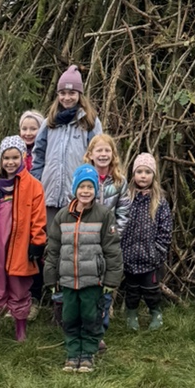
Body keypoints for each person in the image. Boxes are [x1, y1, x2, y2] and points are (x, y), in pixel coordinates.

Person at [32, 66, 102, 325]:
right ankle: (57, 302)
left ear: (80, 94)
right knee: (54, 251)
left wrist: (92, 189)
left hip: (78, 199)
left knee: (77, 250)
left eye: (72, 92)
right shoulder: (49, 123)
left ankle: (77, 305)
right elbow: (38, 155)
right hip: (51, 198)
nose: (67, 97)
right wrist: (39, 182)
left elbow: (98, 155)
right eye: (63, 92)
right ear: (58, 94)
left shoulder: (89, 122)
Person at [44, 165, 123, 373]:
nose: (86, 191)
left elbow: (112, 249)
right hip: (68, 280)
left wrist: (111, 280)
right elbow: (53, 249)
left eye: (90, 187)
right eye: (82, 186)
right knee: (69, 318)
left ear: (96, 190)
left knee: (91, 318)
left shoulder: (104, 215)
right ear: (75, 189)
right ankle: (72, 354)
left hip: (93, 281)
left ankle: (87, 353)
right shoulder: (63, 216)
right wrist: (51, 278)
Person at [0, 136, 47, 345]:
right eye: (6, 158)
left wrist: (37, 242)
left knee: (20, 286)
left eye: (15, 157)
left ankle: (20, 330)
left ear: (23, 157)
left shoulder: (34, 186)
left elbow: (39, 218)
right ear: (1, 159)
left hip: (21, 248)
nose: (10, 162)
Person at [84, 133, 130, 346]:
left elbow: (124, 212)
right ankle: (85, 327)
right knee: (87, 285)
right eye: (98, 150)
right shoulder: (83, 177)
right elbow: (74, 207)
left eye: (107, 150)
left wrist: (113, 236)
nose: (103, 154)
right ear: (90, 154)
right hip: (86, 242)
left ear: (113, 155)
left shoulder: (119, 182)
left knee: (105, 288)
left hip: (109, 244)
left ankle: (99, 333)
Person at [121, 152, 173, 332]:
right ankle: (131, 313)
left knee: (151, 290)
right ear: (133, 174)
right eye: (140, 171)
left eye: (148, 172)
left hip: (150, 258)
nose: (143, 176)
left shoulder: (160, 202)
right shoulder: (126, 199)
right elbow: (119, 223)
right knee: (132, 289)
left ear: (154, 175)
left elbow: (165, 230)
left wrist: (158, 251)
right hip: (128, 256)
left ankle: (155, 312)